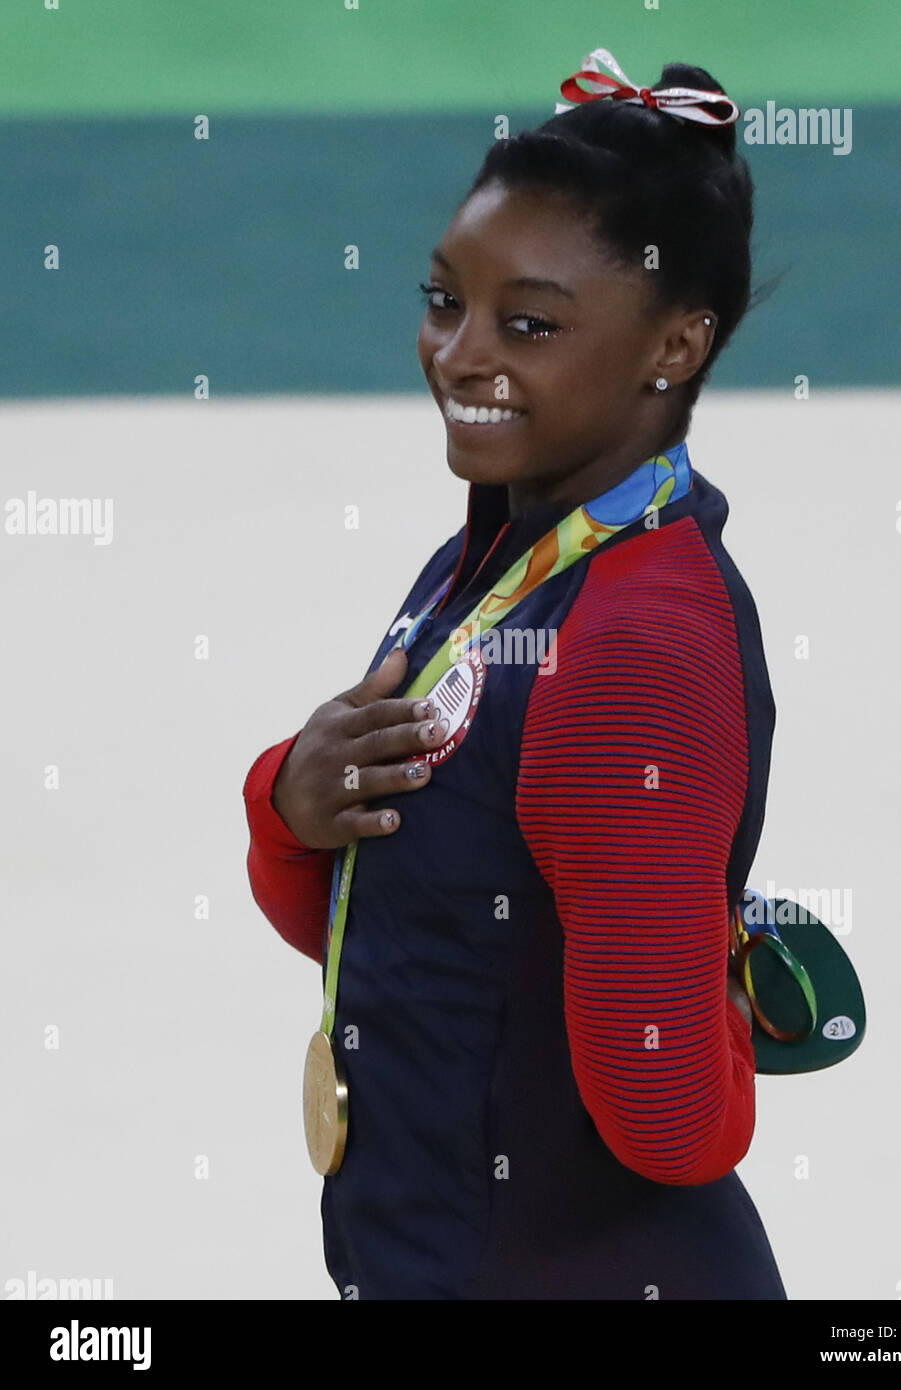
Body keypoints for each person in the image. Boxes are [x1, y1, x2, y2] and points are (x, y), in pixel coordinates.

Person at [243, 53, 787, 1300]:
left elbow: (667, 1119)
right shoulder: (500, 542)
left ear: (675, 343)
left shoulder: (633, 652)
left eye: (529, 324)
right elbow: (407, 922)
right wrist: (289, 809)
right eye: (446, 299)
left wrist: (714, 990)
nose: (460, 353)